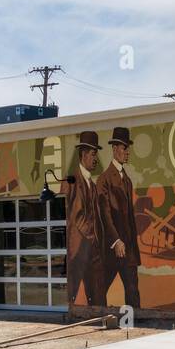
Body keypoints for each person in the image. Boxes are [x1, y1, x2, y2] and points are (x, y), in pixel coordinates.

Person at [97, 126, 141, 307]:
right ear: (115, 149)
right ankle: (98, 318)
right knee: (100, 288)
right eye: (124, 148)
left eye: (127, 148)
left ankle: (136, 322)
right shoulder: (105, 179)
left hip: (128, 248)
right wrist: (116, 241)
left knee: (132, 289)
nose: (127, 152)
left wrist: (130, 243)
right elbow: (104, 213)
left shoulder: (127, 180)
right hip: (112, 249)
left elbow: (129, 217)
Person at [66, 131, 107, 306]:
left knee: (98, 294)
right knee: (71, 295)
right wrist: (93, 236)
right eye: (92, 154)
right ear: (83, 155)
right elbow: (77, 215)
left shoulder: (91, 182)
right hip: (79, 250)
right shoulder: (74, 180)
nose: (95, 158)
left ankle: (100, 316)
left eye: (96, 154)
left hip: (92, 251)